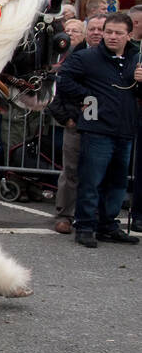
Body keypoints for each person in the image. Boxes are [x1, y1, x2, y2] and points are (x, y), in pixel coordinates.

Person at [54, 12, 142, 247]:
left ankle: (108, 225)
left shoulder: (136, 58)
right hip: (96, 128)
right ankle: (84, 226)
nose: (112, 37)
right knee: (91, 179)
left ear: (129, 35)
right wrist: (87, 96)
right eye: (108, 32)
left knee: (117, 182)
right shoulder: (87, 57)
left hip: (124, 128)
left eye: (118, 33)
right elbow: (63, 80)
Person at [52, 13, 105, 234]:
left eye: (100, 29)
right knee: (71, 170)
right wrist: (66, 117)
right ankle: (65, 215)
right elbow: (58, 90)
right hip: (76, 123)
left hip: (103, 126)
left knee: (98, 172)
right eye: (92, 28)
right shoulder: (74, 56)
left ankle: (94, 215)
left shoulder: (115, 59)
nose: (96, 33)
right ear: (86, 32)